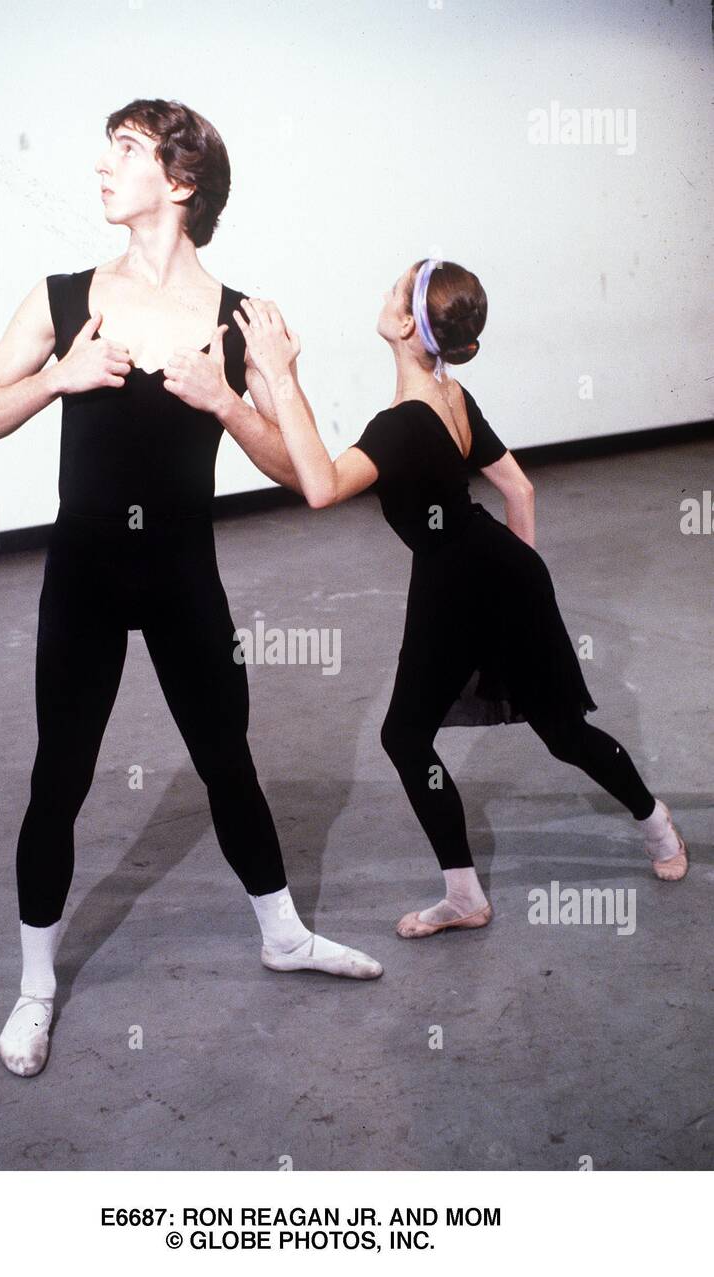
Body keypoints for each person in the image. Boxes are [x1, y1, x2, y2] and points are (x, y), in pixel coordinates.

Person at [0, 99, 382, 1079]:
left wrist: (232, 394)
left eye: (127, 151)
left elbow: (300, 476)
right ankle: (34, 988)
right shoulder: (63, 298)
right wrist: (57, 380)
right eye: (106, 148)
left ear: (179, 183)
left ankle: (282, 934)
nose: (104, 167)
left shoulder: (239, 319)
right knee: (60, 770)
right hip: (85, 570)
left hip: (184, 570)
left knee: (226, 755)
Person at [219, 257, 688, 940]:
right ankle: (658, 830)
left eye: (392, 290)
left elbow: (318, 486)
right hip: (500, 569)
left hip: (453, 583)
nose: (383, 296)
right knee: (563, 731)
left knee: (405, 737)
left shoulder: (402, 422)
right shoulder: (452, 397)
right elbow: (519, 491)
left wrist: (277, 380)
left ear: (408, 323)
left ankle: (465, 895)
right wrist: (523, 585)